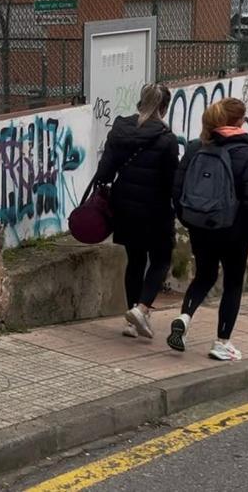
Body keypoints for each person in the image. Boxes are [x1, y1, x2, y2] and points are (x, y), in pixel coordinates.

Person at [168, 98, 248, 361]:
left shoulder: (195, 149)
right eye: (243, 118)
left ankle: (184, 317)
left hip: (201, 225)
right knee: (233, 283)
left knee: (204, 276)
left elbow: (178, 189)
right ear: (236, 122)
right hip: (235, 230)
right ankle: (222, 343)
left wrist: (187, 218)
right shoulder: (247, 155)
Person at [95, 84, 178, 340]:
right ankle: (142, 309)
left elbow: (105, 172)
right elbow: (172, 182)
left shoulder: (119, 130)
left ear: (140, 102)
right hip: (155, 208)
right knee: (162, 258)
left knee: (136, 260)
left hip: (124, 205)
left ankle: (132, 321)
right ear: (164, 108)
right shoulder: (167, 139)